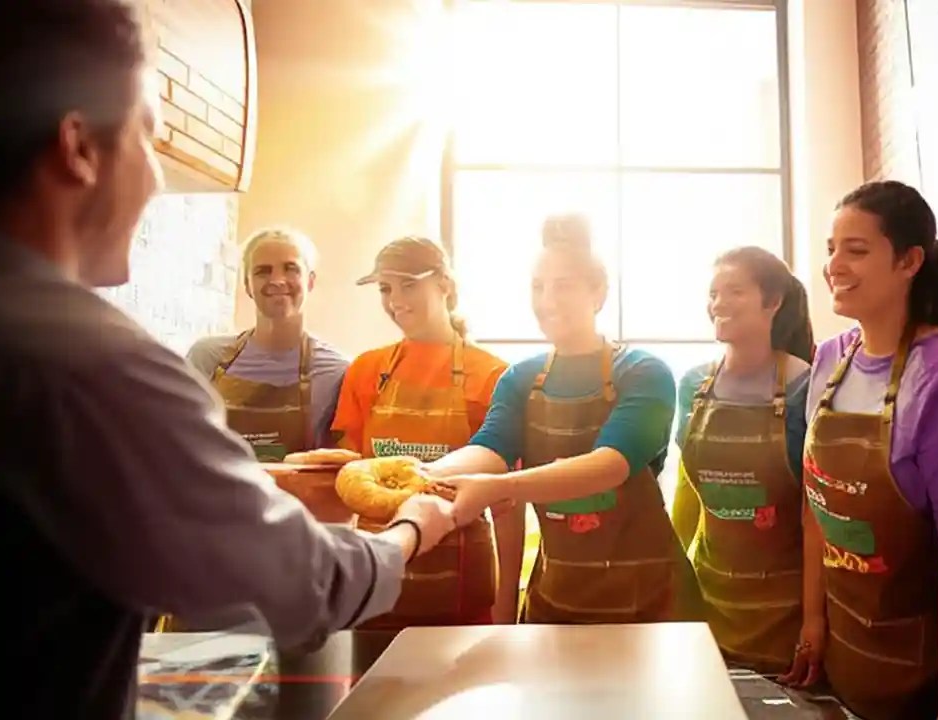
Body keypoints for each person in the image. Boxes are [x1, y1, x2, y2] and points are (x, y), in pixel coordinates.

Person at [0, 3, 455, 717]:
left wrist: (267, 479)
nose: (152, 178)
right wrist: (412, 528)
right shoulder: (100, 366)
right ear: (79, 148)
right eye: (148, 137)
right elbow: (310, 585)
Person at [789, 181, 938, 719]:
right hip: (858, 662)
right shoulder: (831, 359)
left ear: (909, 261)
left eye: (856, 250)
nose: (834, 264)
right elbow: (818, 507)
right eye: (831, 248)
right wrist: (814, 622)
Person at [420, 213, 702, 624]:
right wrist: (424, 474)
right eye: (538, 286)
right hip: (557, 602)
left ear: (599, 293)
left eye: (563, 285)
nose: (547, 300)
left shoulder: (644, 373)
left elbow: (611, 465)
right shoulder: (521, 378)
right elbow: (490, 446)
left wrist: (496, 487)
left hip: (652, 607)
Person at [332, 236, 510, 627]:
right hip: (379, 579)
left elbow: (506, 504)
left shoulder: (493, 374)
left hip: (462, 584)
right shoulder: (365, 370)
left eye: (408, 284)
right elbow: (351, 482)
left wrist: (507, 612)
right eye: (385, 288)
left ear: (444, 283)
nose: (395, 300)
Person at [670, 246, 814, 673]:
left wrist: (815, 620)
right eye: (714, 292)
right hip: (709, 600)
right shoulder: (694, 385)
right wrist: (673, 587)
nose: (718, 303)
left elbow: (816, 517)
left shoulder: (806, 386)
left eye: (734, 291)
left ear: (774, 302)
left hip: (786, 610)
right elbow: (687, 494)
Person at [186, 227, 348, 460]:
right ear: (247, 285)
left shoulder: (337, 370)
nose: (278, 280)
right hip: (217, 495)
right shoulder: (207, 357)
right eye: (263, 271)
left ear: (310, 281)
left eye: (291, 269)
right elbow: (180, 441)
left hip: (296, 497)